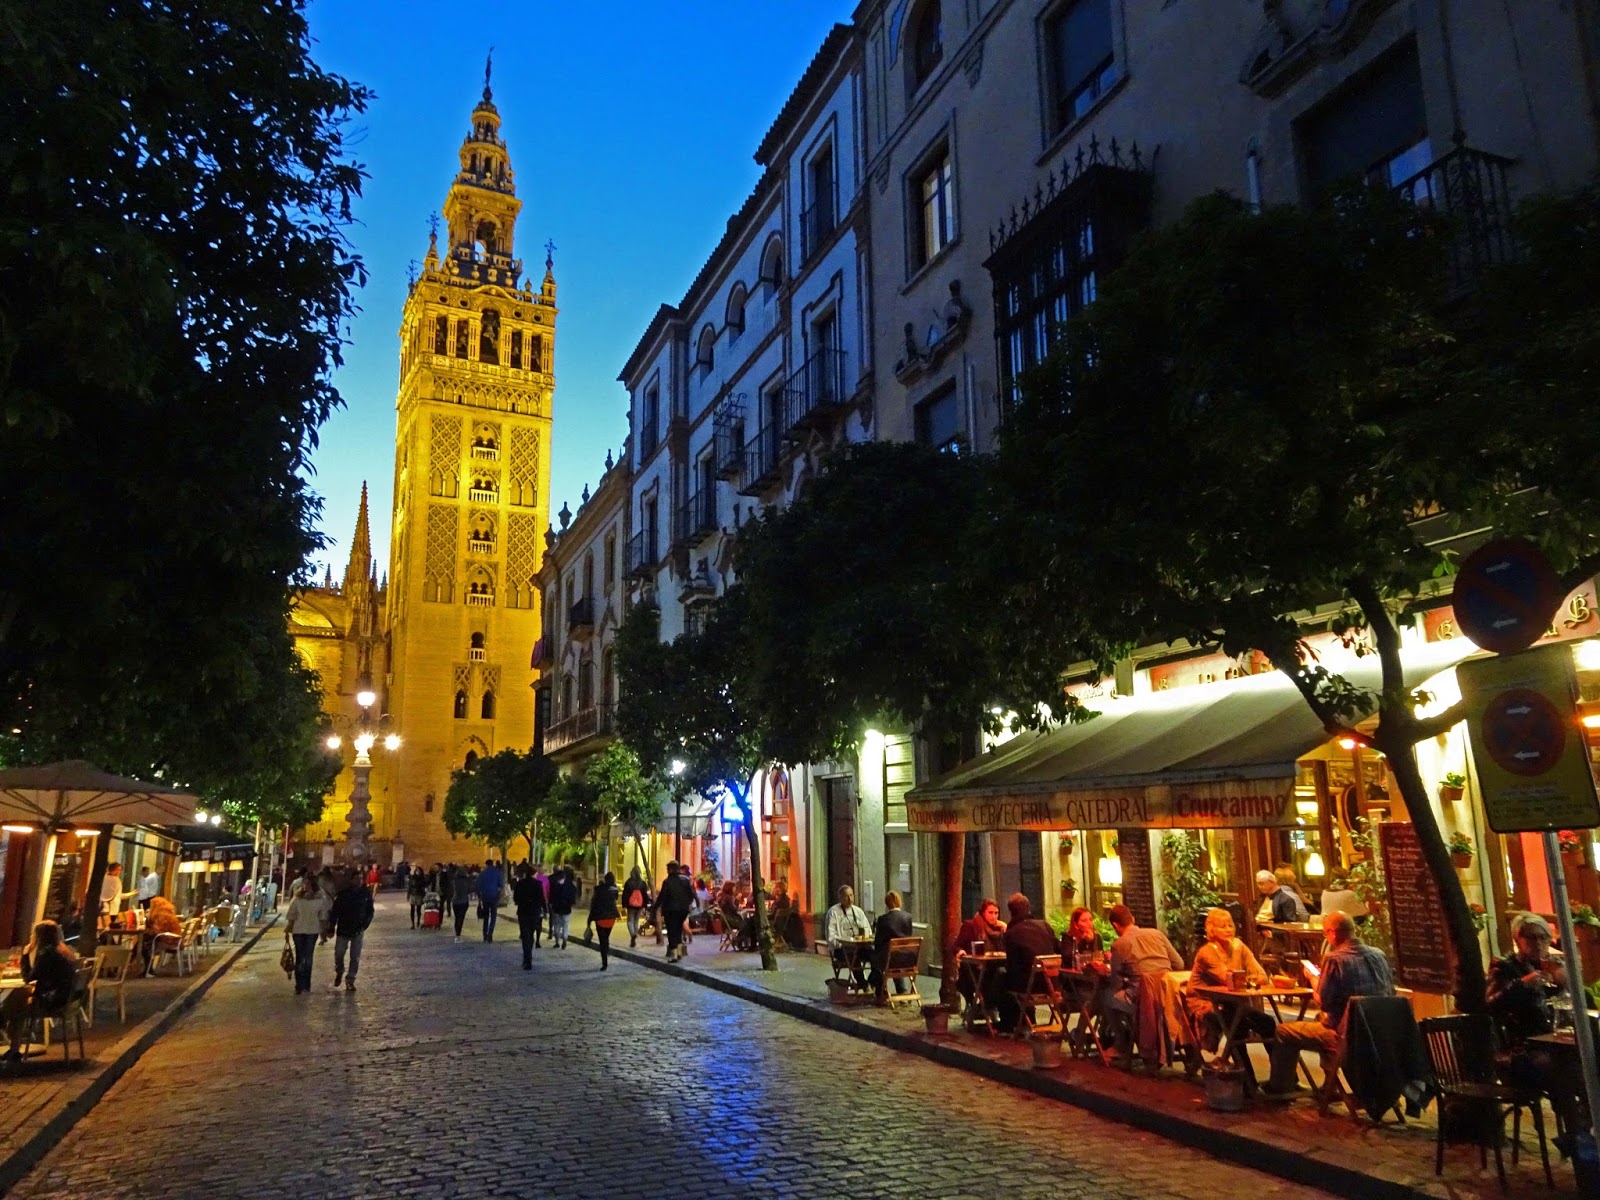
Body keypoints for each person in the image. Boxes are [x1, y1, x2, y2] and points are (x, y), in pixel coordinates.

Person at [1266, 911, 1394, 1095]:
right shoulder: (1379, 955)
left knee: (1283, 1031)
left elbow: (1323, 1001)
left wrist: (1312, 978)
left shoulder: (1334, 959)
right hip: (1380, 1032)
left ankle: (1279, 1087)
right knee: (1322, 1019)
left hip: (1348, 1035)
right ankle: (1329, 1087)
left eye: (1326, 933)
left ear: (1333, 933)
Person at [1186, 907, 1274, 1059]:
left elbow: (1262, 976)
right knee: (1237, 1025)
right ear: (1212, 930)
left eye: (1230, 925)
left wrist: (1246, 979)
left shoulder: (1239, 946)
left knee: (1268, 1022)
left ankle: (1282, 1080)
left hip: (1232, 1003)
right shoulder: (1206, 952)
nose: (1228, 930)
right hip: (1206, 1004)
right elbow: (1228, 979)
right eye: (1222, 926)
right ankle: (1247, 1080)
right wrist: (1248, 979)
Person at [1103, 904, 1183, 1054]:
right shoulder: (1156, 934)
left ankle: (1121, 1043)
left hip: (1142, 1000)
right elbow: (1179, 963)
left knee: (1106, 997)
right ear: (1132, 919)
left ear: (1115, 925)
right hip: (1169, 997)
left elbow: (1116, 982)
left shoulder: (1119, 945)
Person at [1, 921, 78, 1066]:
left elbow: (29, 978)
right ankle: (13, 1046)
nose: (31, 937)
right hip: (64, 999)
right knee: (17, 1000)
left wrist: (25, 955)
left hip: (53, 1001)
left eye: (33, 934)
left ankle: (10, 1038)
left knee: (15, 1005)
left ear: (39, 937)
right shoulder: (62, 951)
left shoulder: (46, 954)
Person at [327, 868, 373, 992]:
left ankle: (350, 980)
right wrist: (331, 926)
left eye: (361, 879)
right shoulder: (343, 894)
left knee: (355, 956)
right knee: (339, 953)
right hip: (343, 928)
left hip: (358, 929)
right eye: (357, 879)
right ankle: (339, 970)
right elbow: (335, 912)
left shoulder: (365, 893)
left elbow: (370, 911)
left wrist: (365, 924)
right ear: (352, 880)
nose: (359, 881)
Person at [284, 879, 330, 995]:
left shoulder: (318, 900)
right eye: (304, 884)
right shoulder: (298, 899)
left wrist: (323, 930)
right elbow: (291, 915)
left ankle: (305, 984)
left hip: (311, 931)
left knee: (308, 958)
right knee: (301, 957)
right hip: (299, 931)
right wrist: (289, 927)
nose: (305, 886)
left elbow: (323, 916)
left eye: (308, 884)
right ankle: (300, 984)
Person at [869, 890, 915, 1000]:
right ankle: (901, 989)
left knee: (875, 957)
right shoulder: (908, 917)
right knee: (892, 955)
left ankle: (879, 989)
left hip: (890, 959)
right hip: (908, 958)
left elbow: (878, 942)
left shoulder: (883, 919)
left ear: (887, 903)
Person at [824, 885, 872, 988]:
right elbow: (831, 937)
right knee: (854, 957)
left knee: (874, 955)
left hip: (860, 947)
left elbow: (867, 929)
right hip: (842, 950)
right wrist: (846, 943)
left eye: (851, 895)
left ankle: (876, 982)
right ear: (840, 898)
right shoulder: (833, 912)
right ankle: (862, 984)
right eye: (846, 896)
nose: (850, 899)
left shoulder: (858, 912)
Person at [654, 862, 695, 961]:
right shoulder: (685, 880)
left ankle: (674, 955)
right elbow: (691, 894)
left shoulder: (667, 882)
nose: (667, 871)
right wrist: (686, 904)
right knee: (678, 929)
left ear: (671, 869)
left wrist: (656, 907)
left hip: (670, 910)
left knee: (672, 931)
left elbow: (662, 896)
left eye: (668, 869)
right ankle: (680, 951)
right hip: (683, 910)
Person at [512, 863, 547, 970]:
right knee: (531, 934)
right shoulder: (538, 884)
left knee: (524, 935)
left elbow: (516, 898)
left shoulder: (520, 884)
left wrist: (521, 902)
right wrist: (545, 910)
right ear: (534, 874)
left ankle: (526, 957)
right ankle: (528, 957)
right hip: (534, 912)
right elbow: (542, 898)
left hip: (523, 912)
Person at [586, 871, 622, 970]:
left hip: (601, 918)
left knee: (603, 940)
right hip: (611, 918)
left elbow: (594, 905)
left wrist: (589, 920)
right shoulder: (614, 890)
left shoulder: (599, 890)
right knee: (606, 937)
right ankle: (606, 950)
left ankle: (604, 961)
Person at [621, 866, 651, 948]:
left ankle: (633, 934)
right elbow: (645, 895)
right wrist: (645, 905)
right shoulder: (643, 883)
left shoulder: (628, 882)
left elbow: (625, 895)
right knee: (636, 921)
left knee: (629, 921)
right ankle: (634, 935)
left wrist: (624, 904)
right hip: (640, 905)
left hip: (631, 905)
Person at [549, 866, 577, 949]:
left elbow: (552, 895)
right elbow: (573, 899)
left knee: (556, 925)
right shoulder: (572, 886)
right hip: (567, 909)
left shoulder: (557, 883)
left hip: (557, 908)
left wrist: (551, 903)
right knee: (565, 925)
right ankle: (565, 938)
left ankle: (557, 941)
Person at [478, 858, 504, 943]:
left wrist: (479, 896)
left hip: (485, 896)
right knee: (493, 916)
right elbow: (501, 884)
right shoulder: (497, 872)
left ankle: (484, 934)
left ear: (486, 864)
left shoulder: (483, 873)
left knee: (486, 916)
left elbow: (478, 885)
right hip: (494, 896)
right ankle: (490, 933)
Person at [450, 864, 474, 942]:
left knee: (457, 918)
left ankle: (457, 934)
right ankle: (458, 934)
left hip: (455, 901)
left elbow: (451, 890)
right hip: (463, 901)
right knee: (461, 918)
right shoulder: (466, 881)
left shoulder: (454, 881)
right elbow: (470, 889)